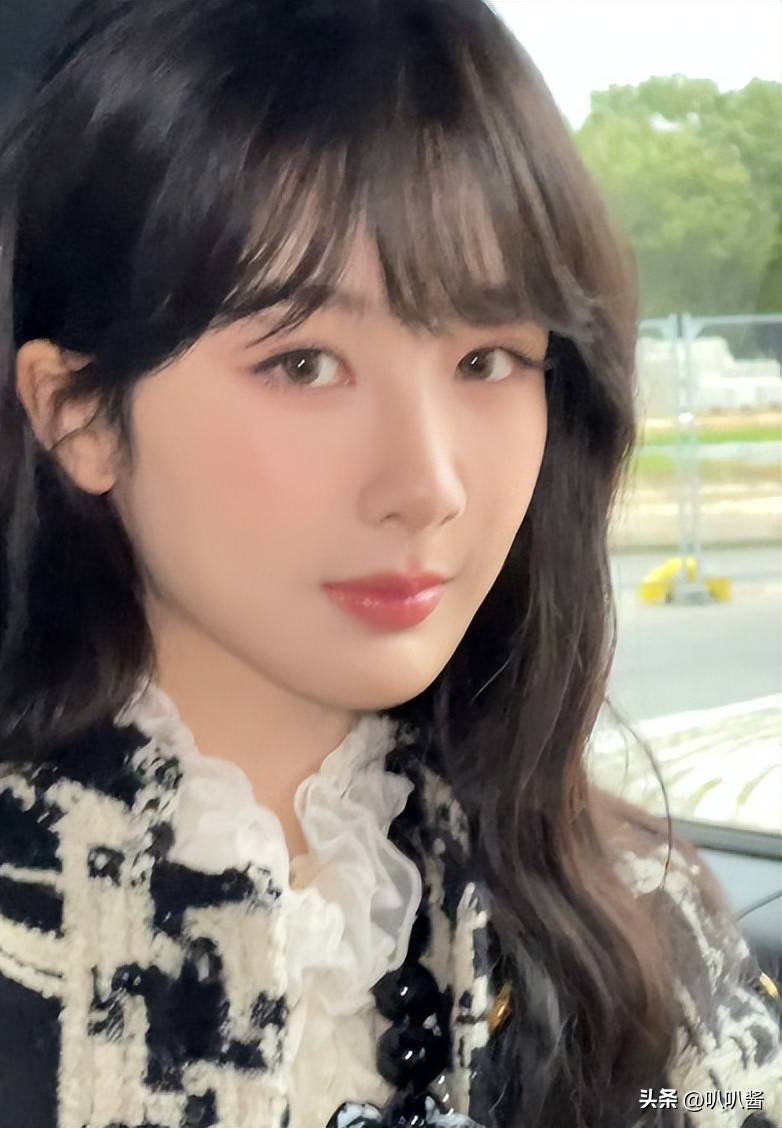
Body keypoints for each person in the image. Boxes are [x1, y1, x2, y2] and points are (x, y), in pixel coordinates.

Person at [0, 1, 778, 1126]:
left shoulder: (634, 916)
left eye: (487, 358)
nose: (428, 483)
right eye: (304, 364)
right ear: (77, 411)